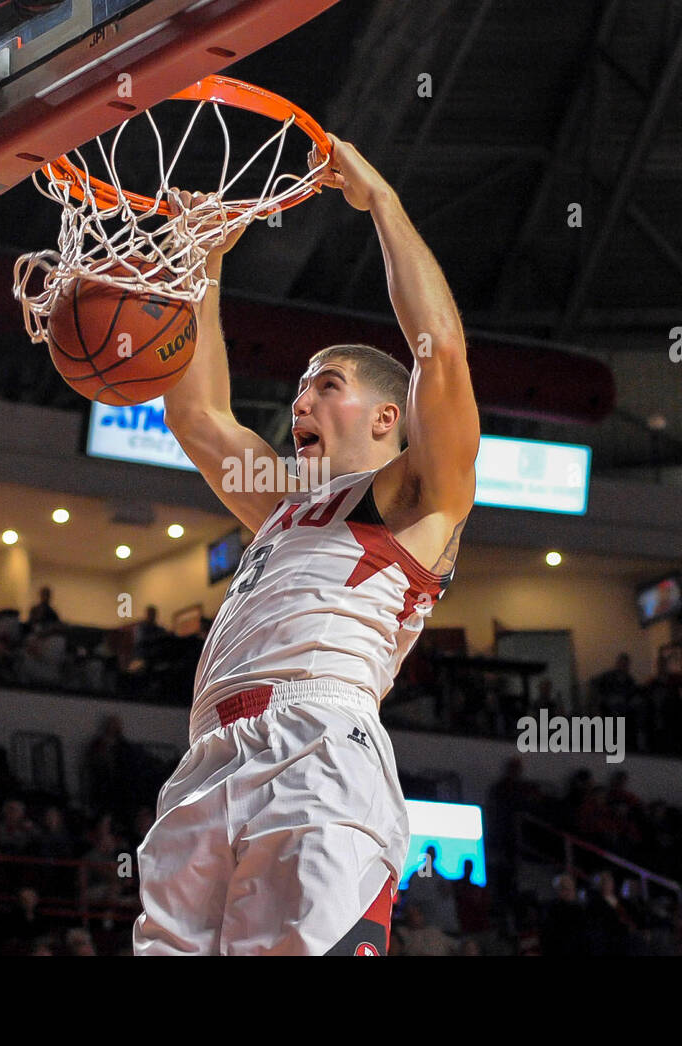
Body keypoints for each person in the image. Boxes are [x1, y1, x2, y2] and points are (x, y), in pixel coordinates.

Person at [133, 134, 480, 955]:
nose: (301, 401)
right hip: (208, 758)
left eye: (328, 386)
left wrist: (382, 206)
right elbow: (196, 416)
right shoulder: (286, 507)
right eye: (296, 389)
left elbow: (444, 354)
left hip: (318, 743)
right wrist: (202, 260)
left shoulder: (415, 498)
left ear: (388, 419)